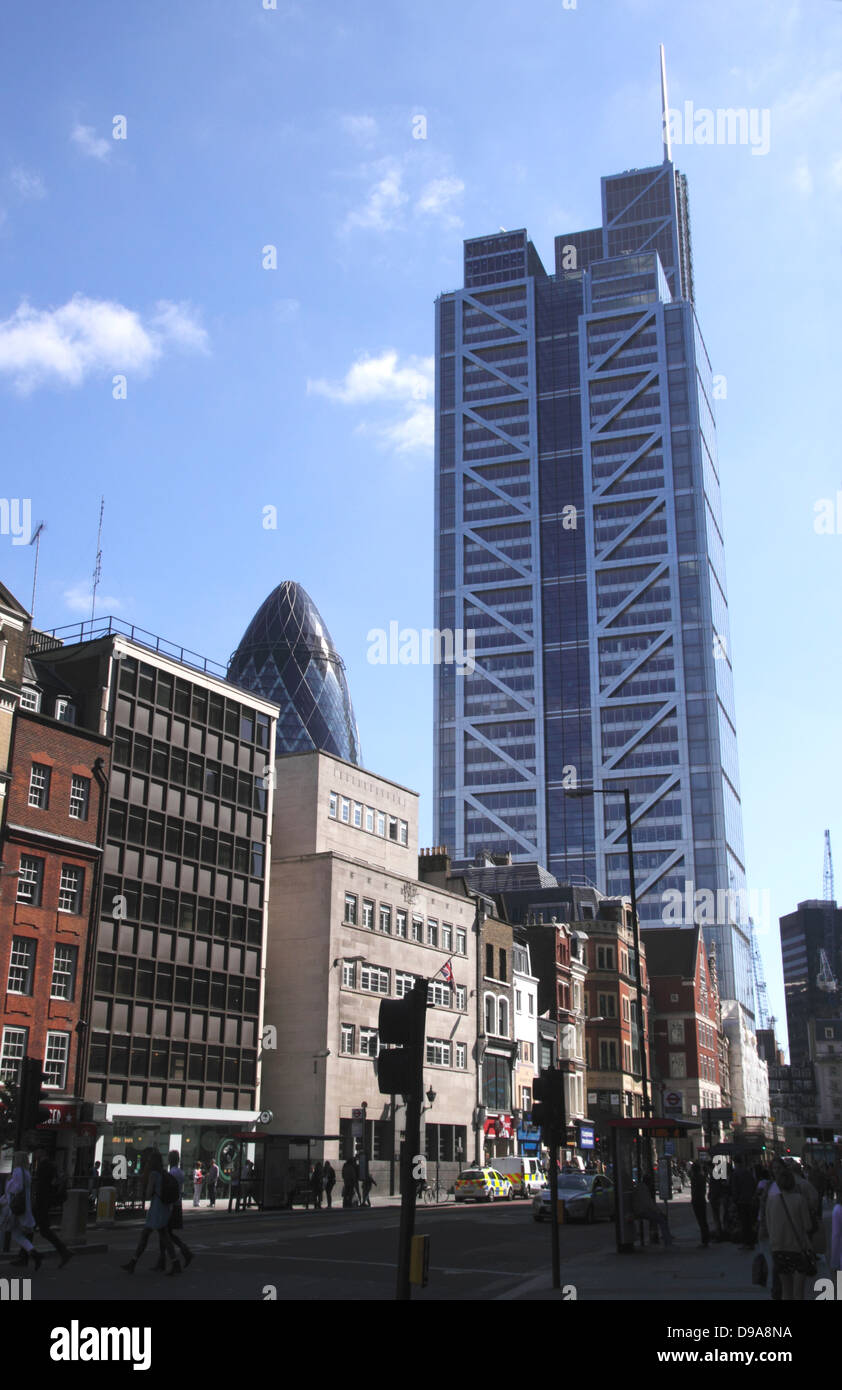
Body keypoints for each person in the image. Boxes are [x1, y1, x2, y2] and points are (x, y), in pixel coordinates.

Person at [121, 1150, 181, 1276]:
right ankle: (134, 1263)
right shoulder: (163, 1173)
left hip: (156, 1208)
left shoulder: (153, 1174)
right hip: (163, 1207)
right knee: (158, 1236)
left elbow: (148, 1193)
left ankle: (134, 1263)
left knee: (155, 1236)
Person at [766, 1164, 814, 1301]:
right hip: (797, 1250)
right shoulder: (799, 1200)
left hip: (778, 1249)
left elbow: (769, 1226)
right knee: (798, 1293)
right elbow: (808, 1226)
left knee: (786, 1292)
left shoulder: (771, 1201)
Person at [29, 1146, 73, 1268]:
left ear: (42, 1152)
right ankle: (26, 1254)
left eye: (36, 1151)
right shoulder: (50, 1165)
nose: (35, 1154)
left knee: (42, 1230)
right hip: (44, 1201)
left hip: (42, 1202)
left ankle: (63, 1251)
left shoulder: (44, 1166)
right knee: (34, 1228)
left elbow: (43, 1185)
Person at [0, 1151, 42, 1271]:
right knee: (17, 1234)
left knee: (4, 1229)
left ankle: (33, 1253)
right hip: (22, 1208)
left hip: (12, 1208)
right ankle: (34, 1253)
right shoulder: (26, 1173)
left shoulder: (18, 1171)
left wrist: (9, 1182)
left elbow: (17, 1188)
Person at [154, 1150, 193, 1271]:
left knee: (165, 1233)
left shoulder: (172, 1173)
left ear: (171, 1160)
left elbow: (168, 1188)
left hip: (171, 1205)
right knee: (166, 1233)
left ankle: (183, 1251)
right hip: (177, 1204)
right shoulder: (180, 1172)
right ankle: (163, 1260)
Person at [631, 1179, 673, 1247]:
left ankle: (654, 1234)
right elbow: (649, 1204)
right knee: (662, 1220)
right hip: (642, 1211)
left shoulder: (640, 1188)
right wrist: (658, 1212)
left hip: (640, 1210)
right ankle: (667, 1241)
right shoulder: (644, 1190)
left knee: (658, 1219)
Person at [732, 1156, 757, 1250]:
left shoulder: (736, 1173)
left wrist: (735, 1199)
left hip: (741, 1201)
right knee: (749, 1222)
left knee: (743, 1222)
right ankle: (751, 1242)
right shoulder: (747, 1172)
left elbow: (735, 1188)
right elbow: (754, 1184)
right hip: (749, 1200)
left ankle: (746, 1242)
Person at [689, 1161, 710, 1247]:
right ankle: (705, 1239)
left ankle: (704, 1240)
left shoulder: (695, 1178)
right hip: (701, 1199)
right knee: (703, 1220)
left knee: (701, 1221)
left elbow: (694, 1190)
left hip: (697, 1200)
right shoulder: (702, 1177)